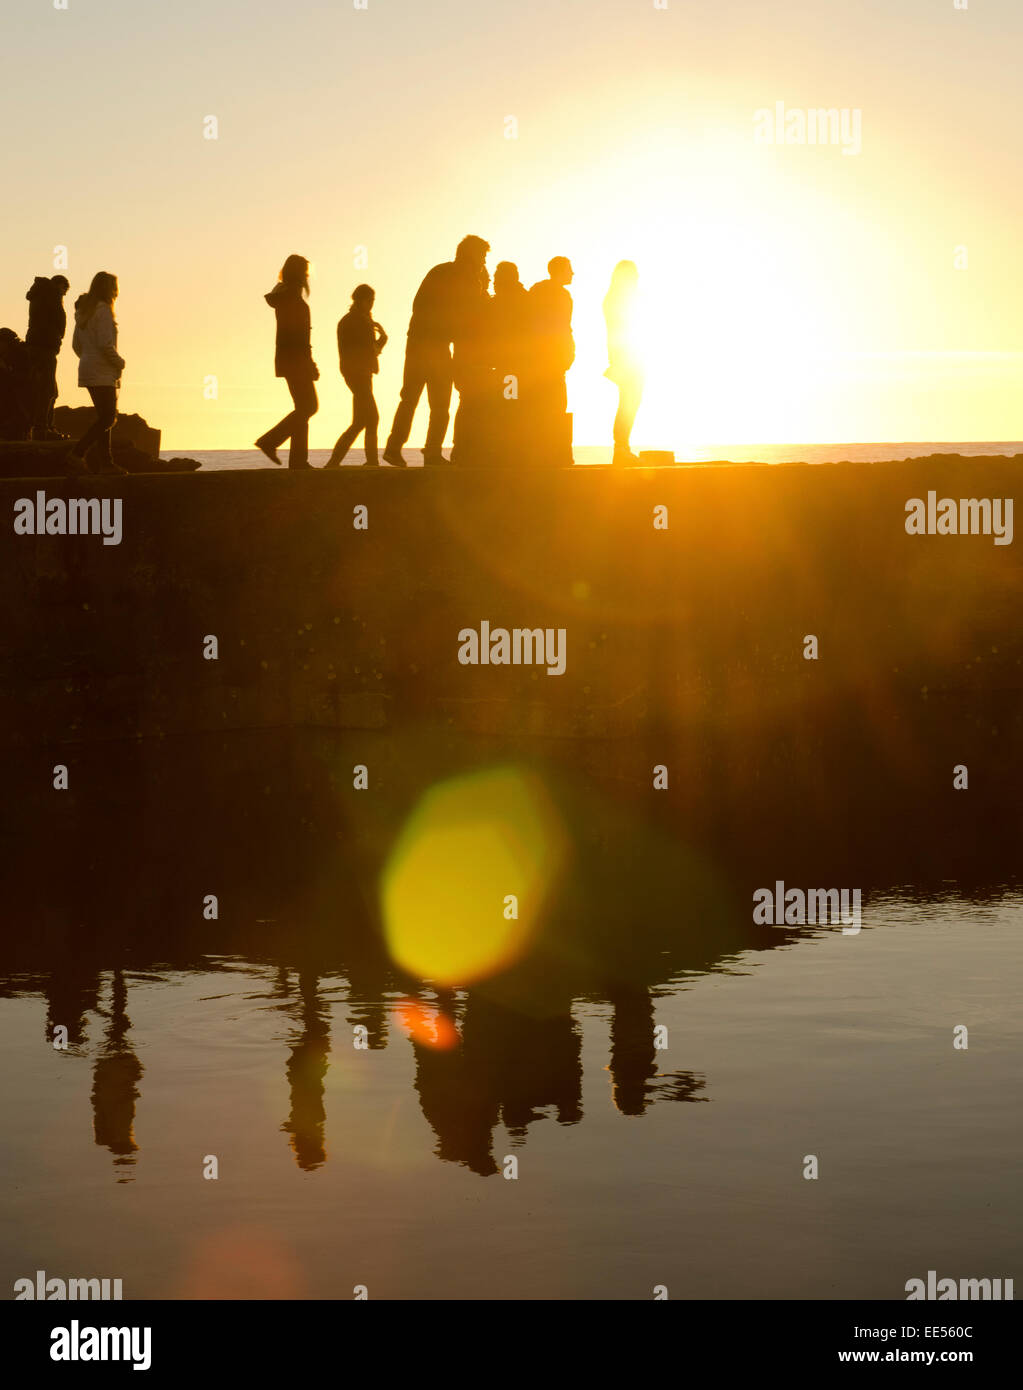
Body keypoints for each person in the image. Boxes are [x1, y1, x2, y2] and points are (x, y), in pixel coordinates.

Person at [383, 234, 490, 467]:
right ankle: (431, 453)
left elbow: (418, 306)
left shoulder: (438, 271)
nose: (483, 262)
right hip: (437, 346)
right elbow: (469, 318)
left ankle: (394, 447)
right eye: (481, 257)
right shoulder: (468, 280)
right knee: (440, 405)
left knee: (409, 398)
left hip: (417, 342)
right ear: (471, 256)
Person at [255, 255, 319, 470]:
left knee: (302, 408)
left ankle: (298, 461)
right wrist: (308, 363)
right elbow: (297, 336)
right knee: (309, 406)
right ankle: (270, 441)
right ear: (299, 274)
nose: (308, 276)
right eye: (305, 271)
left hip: (289, 360)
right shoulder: (291, 298)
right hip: (295, 361)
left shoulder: (286, 296)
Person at [68, 271, 126, 476]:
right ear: (107, 289)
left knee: (104, 417)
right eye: (114, 287)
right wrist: (119, 363)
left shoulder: (85, 312)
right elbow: (105, 344)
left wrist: (88, 359)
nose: (116, 292)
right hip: (102, 371)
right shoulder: (102, 311)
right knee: (109, 417)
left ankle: (106, 464)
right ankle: (78, 453)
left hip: (89, 368)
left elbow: (76, 345)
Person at [326, 285, 387, 468]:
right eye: (370, 300)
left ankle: (334, 462)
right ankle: (372, 462)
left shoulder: (348, 320)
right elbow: (370, 351)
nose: (371, 304)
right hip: (360, 374)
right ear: (361, 300)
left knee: (360, 421)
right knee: (372, 417)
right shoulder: (360, 321)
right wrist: (383, 338)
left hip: (354, 373)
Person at [527, 256, 575, 465]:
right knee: (556, 405)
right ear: (559, 271)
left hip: (538, 360)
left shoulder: (536, 291)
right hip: (552, 360)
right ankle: (557, 454)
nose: (572, 273)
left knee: (539, 406)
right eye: (569, 269)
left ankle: (541, 453)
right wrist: (567, 355)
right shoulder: (562, 295)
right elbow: (563, 328)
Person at [450, 266, 496, 465]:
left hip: (468, 363)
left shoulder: (467, 303)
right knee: (473, 405)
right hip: (472, 364)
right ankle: (466, 449)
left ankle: (465, 449)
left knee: (471, 405)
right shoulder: (480, 303)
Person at [488, 261, 530, 465]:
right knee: (511, 405)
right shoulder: (523, 298)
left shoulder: (504, 301)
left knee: (509, 404)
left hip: (509, 365)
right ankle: (513, 449)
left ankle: (509, 450)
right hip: (514, 364)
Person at [603, 260, 643, 465]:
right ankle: (621, 448)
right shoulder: (620, 299)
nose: (638, 277)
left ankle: (622, 447)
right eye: (634, 274)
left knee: (630, 402)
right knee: (628, 403)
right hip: (627, 358)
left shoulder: (616, 298)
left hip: (628, 356)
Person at [25, 274, 70, 440]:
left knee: (40, 387)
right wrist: (59, 335)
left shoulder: (38, 294)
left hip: (35, 343)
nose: (64, 295)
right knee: (48, 389)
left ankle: (41, 426)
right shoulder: (52, 295)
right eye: (64, 290)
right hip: (46, 345)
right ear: (60, 285)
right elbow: (60, 320)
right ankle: (42, 428)